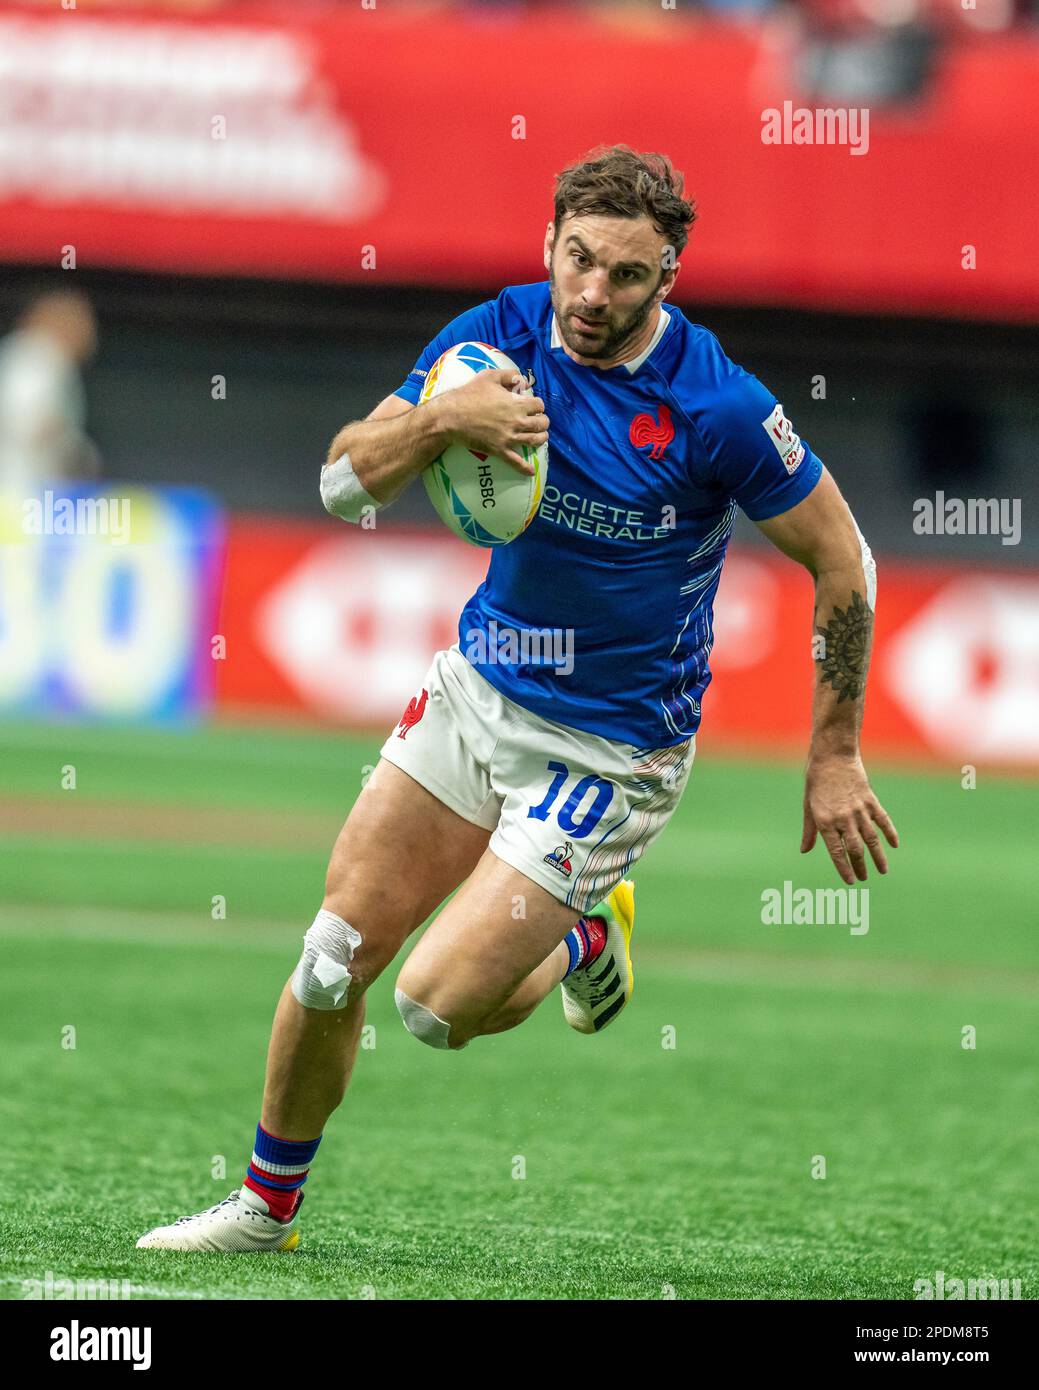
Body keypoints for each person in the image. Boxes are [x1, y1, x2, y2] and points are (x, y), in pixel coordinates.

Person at [136, 144, 897, 1254]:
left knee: (433, 1008)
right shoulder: (486, 342)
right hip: (477, 691)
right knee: (331, 955)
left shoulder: (717, 404)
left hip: (611, 750)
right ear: (547, 243)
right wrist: (444, 421)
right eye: (577, 260)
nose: (592, 295)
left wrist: (832, 755)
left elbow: (845, 560)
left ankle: (588, 935)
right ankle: (265, 1210)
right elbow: (343, 481)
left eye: (625, 275)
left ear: (668, 277)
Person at [0, 289, 98, 499]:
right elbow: (25, 423)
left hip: (34, 489)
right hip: (17, 488)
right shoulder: (35, 354)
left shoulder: (49, 357)